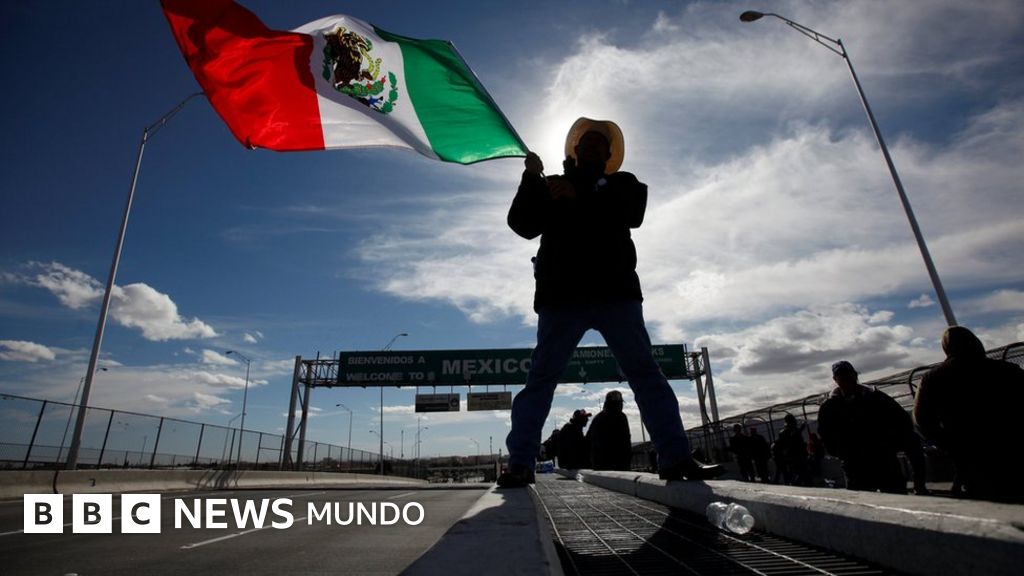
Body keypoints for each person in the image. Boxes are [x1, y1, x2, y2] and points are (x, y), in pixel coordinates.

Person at [497, 117, 723, 487]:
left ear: (608, 153)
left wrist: (580, 196)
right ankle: (520, 462)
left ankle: (676, 457)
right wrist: (530, 180)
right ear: (574, 148)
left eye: (599, 142)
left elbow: (632, 214)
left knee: (645, 373)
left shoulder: (624, 184)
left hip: (615, 293)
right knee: (541, 379)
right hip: (561, 296)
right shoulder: (551, 185)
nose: (592, 145)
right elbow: (521, 225)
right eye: (586, 140)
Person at [914, 326, 1024, 503]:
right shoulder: (1008, 370)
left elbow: (921, 421)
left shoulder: (933, 378)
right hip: (1014, 452)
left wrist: (950, 445)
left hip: (969, 459)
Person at [818, 360, 926, 494]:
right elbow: (826, 436)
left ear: (855, 375)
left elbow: (903, 424)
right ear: (836, 379)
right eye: (842, 376)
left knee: (893, 498)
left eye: (849, 375)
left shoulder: (876, 398)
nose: (847, 379)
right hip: (856, 466)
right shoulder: (830, 407)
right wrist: (846, 454)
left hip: (884, 461)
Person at [587, 390, 632, 471]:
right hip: (618, 463)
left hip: (599, 464)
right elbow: (626, 441)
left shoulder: (598, 418)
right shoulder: (621, 417)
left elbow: (588, 439)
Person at [775, 413, 809, 486]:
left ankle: (795, 483)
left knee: (795, 471)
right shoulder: (791, 430)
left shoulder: (783, 432)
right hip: (797, 454)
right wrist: (802, 427)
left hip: (790, 454)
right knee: (802, 471)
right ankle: (797, 483)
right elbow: (793, 438)